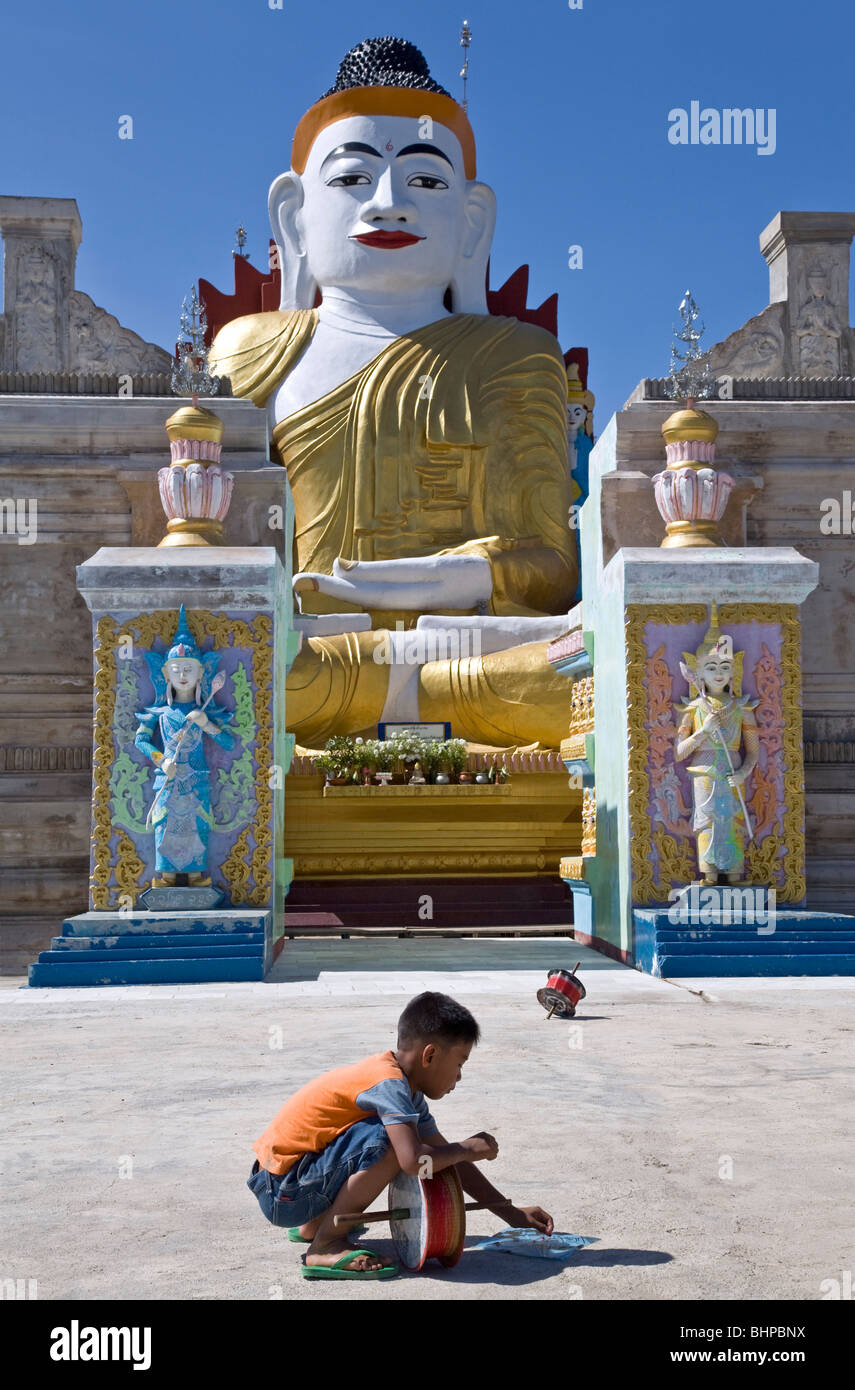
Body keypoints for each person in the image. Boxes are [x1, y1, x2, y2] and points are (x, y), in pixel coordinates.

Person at [246, 991, 554, 1279]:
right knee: (393, 1145)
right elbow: (413, 1162)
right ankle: (326, 1244)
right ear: (430, 1056)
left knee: (400, 1140)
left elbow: (444, 1156)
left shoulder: (407, 1089)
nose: (459, 1076)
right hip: (282, 1192)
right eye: (459, 1063)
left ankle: (314, 1225)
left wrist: (509, 1212)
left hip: (285, 1181)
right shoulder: (389, 1084)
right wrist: (466, 1148)